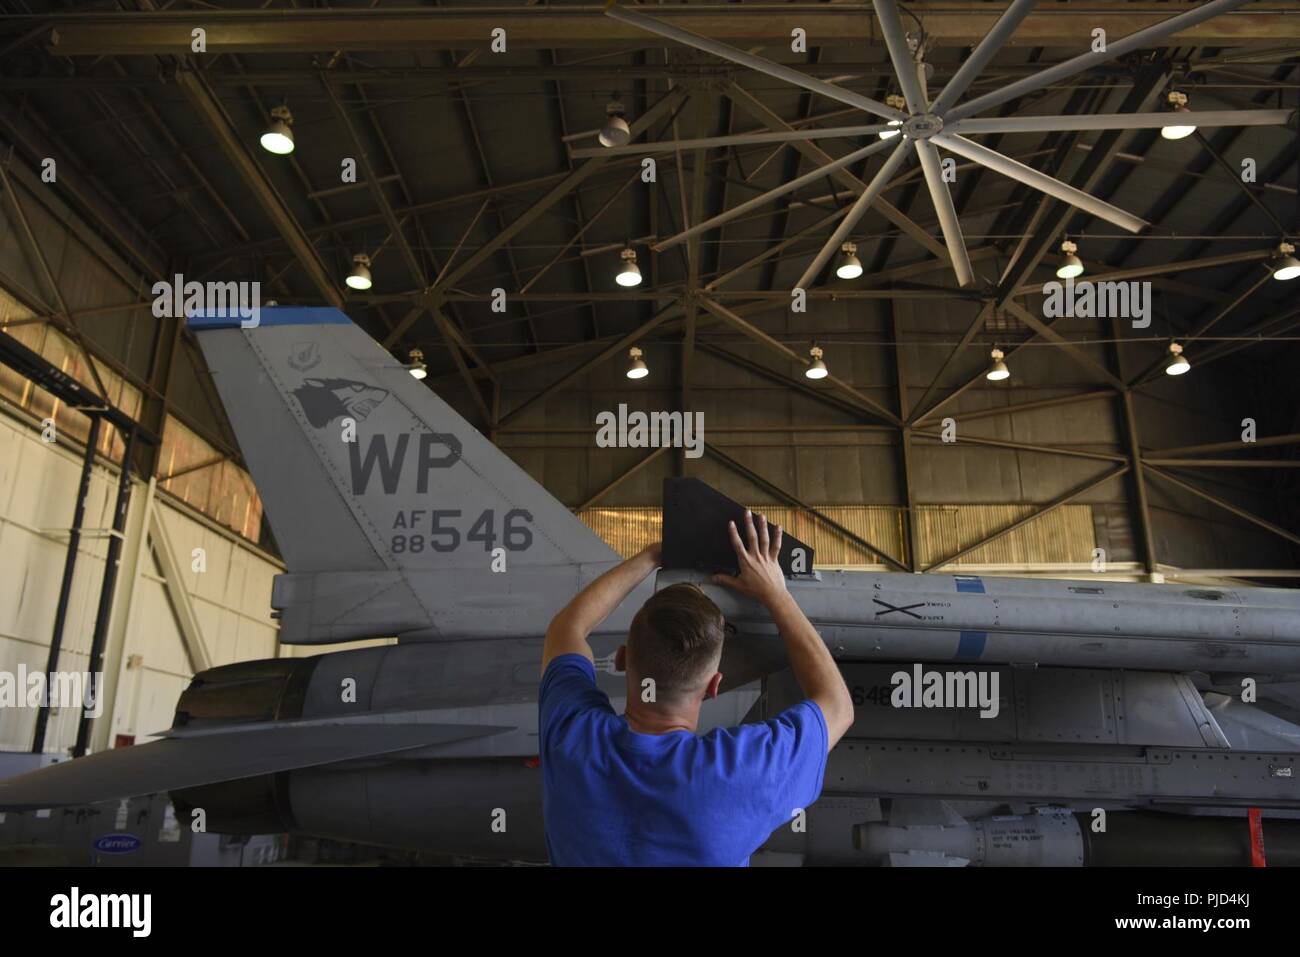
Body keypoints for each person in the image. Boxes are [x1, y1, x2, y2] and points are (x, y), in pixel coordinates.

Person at [539, 510, 853, 866]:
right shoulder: (742, 771)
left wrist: (654, 555)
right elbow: (838, 705)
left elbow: (567, 629)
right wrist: (776, 595)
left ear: (622, 659)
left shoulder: (571, 738)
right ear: (714, 685)